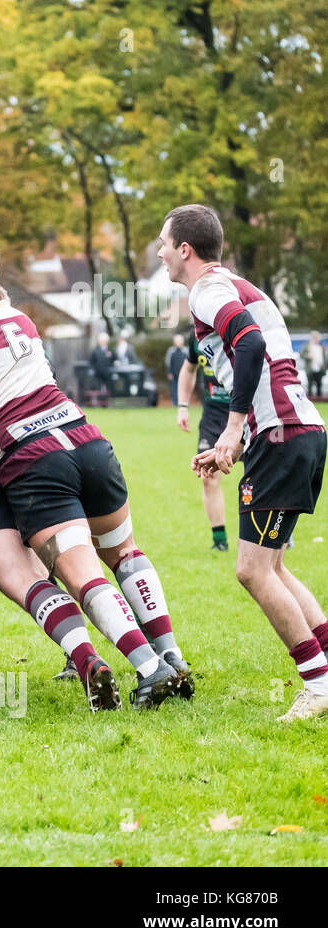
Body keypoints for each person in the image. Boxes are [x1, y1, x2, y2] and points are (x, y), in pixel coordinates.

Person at [0, 240, 188, 711]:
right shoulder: (19, 320)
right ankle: (172, 658)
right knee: (125, 554)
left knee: (81, 576)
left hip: (35, 460)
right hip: (86, 440)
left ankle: (150, 670)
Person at [159, 204, 328, 721]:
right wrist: (231, 442)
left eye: (164, 244)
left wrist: (233, 429)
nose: (161, 253)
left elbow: (250, 344)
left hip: (282, 437)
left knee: (252, 571)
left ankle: (318, 687)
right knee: (273, 565)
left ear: (185, 249)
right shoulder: (233, 285)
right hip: (293, 433)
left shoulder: (208, 290)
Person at [176, 330, 231, 551]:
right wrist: (182, 406)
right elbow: (189, 368)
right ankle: (220, 541)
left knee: (259, 475)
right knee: (208, 475)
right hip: (213, 417)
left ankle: (280, 531)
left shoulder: (236, 325)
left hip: (247, 412)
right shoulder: (196, 335)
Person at [165, 333, 188, 412]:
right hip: (174, 373)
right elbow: (168, 363)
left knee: (184, 388)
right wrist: (169, 372)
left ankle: (184, 402)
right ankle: (175, 402)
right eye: (177, 341)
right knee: (175, 388)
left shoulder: (186, 350)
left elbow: (189, 362)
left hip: (184, 373)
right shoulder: (171, 351)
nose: (178, 343)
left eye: (180, 341)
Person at [303, 330, 325, 400]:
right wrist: (308, 356)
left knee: (319, 385)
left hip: (320, 369)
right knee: (310, 385)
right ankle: (310, 400)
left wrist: (324, 367)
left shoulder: (321, 347)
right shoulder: (307, 346)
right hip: (310, 369)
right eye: (315, 338)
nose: (317, 339)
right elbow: (302, 355)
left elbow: (324, 358)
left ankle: (320, 400)